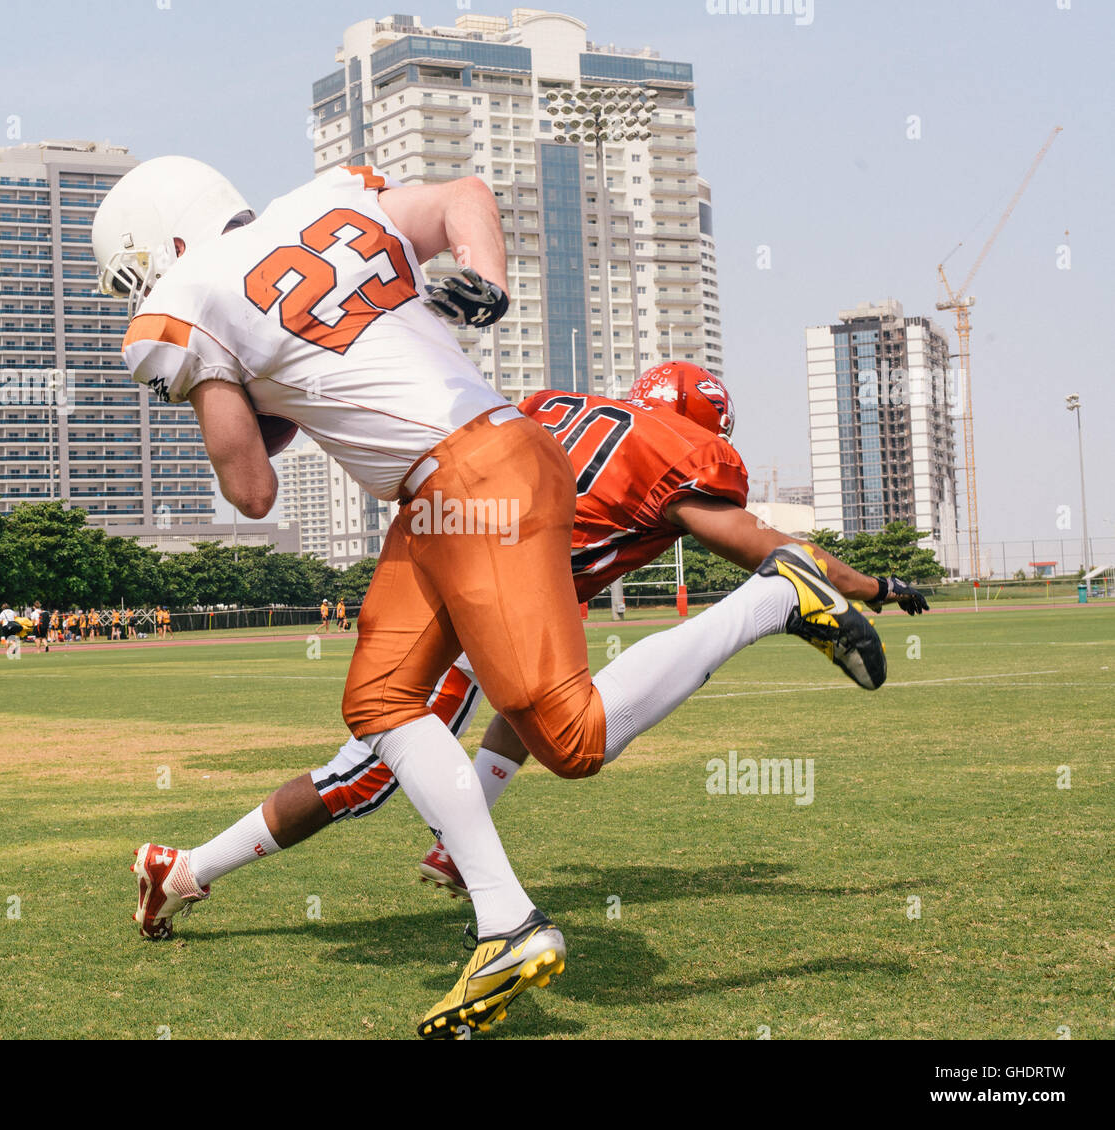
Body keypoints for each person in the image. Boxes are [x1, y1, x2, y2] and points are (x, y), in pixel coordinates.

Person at [99, 159, 888, 1037]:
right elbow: (463, 197)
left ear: (167, 246)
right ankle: (504, 921)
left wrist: (219, 388)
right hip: (461, 473)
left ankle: (774, 600)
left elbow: (250, 488)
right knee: (380, 700)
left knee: (574, 739)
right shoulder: (320, 202)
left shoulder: (185, 301)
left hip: (466, 481)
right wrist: (484, 283)